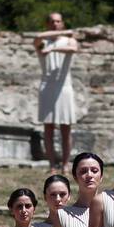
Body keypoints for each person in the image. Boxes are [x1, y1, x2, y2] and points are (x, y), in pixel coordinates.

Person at [34, 12, 78, 171]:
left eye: (58, 21)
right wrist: (60, 34)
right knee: (49, 128)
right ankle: (52, 164)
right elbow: (38, 36)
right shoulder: (43, 42)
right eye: (52, 21)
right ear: (48, 24)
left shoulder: (69, 40)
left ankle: (66, 164)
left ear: (63, 23)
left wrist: (54, 49)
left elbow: (72, 49)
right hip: (47, 86)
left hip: (64, 86)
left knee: (66, 128)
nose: (55, 24)